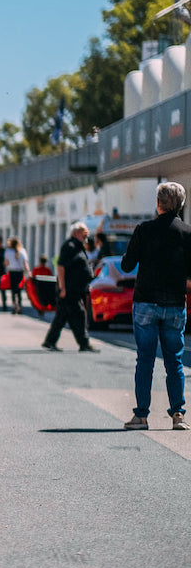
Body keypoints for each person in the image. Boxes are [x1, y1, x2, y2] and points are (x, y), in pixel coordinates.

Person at [119, 181, 191, 430]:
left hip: (146, 303)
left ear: (159, 203)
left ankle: (141, 416)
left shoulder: (144, 230)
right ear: (181, 204)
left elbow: (127, 265)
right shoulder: (187, 233)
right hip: (175, 304)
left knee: (145, 360)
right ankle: (178, 415)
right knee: (175, 361)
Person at [41, 222, 101, 354]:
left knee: (62, 316)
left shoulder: (78, 247)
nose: (86, 236)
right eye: (84, 233)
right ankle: (83, 343)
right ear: (76, 233)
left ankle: (50, 341)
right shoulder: (70, 246)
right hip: (69, 290)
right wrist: (62, 288)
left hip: (75, 289)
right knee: (79, 314)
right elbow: (61, 267)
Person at [5, 237, 30, 315]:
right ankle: (19, 305)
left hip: (12, 272)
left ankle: (14, 305)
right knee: (19, 289)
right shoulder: (22, 251)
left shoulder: (8, 251)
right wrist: (28, 272)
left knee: (13, 290)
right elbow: (25, 263)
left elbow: (6, 263)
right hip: (20, 272)